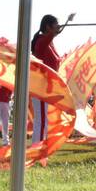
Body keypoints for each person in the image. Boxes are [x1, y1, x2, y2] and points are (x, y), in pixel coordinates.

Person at [30, 14, 62, 145]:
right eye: (55, 25)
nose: (57, 27)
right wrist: (64, 24)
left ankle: (39, 148)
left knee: (42, 119)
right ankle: (37, 149)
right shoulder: (42, 41)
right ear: (48, 27)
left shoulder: (48, 41)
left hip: (46, 85)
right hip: (40, 85)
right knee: (41, 119)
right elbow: (51, 36)